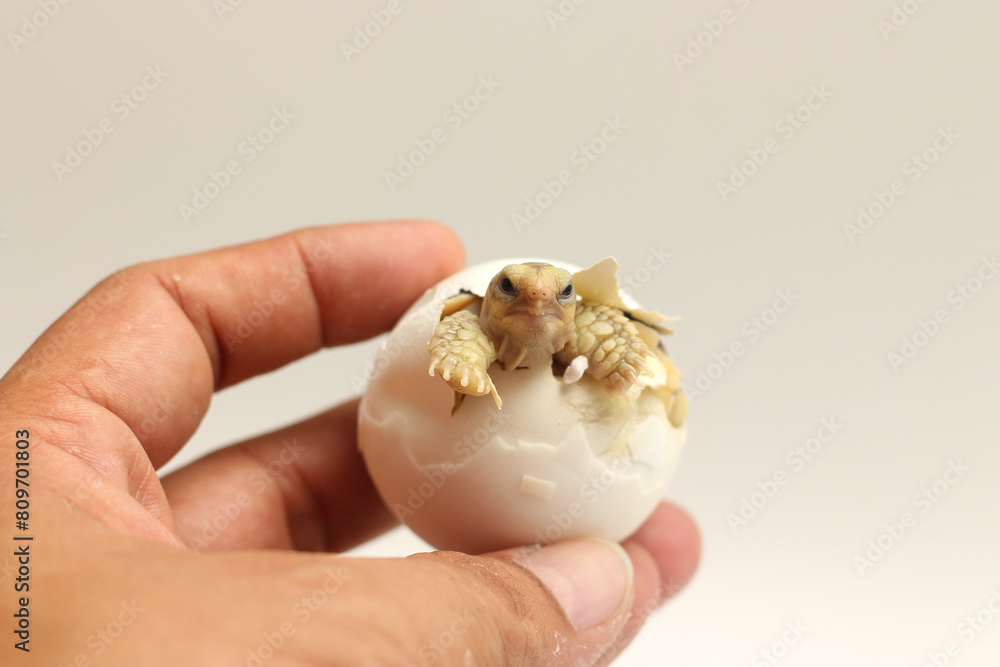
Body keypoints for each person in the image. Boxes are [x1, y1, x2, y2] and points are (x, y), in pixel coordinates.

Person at [0, 220, 700, 666]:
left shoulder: (582, 320)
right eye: (514, 290)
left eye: (561, 299)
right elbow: (449, 343)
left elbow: (622, 353)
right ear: (492, 297)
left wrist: (615, 355)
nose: (537, 304)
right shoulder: (465, 325)